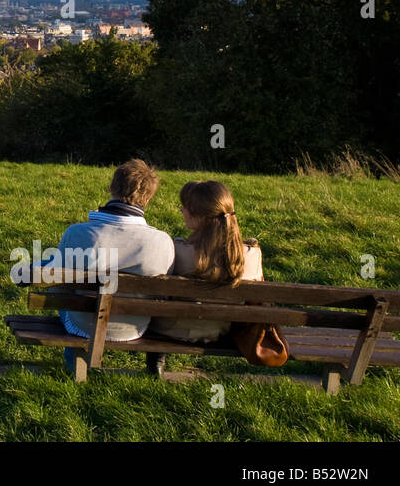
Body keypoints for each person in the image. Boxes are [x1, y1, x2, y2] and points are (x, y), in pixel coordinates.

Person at [50, 160, 175, 375]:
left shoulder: (77, 233)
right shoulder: (163, 242)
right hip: (135, 325)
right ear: (149, 198)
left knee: (63, 291)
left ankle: (77, 367)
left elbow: (57, 284)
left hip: (83, 324)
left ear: (111, 187)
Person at [150, 181, 263, 343]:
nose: (182, 210)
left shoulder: (179, 251)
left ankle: (156, 357)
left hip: (174, 328)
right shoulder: (253, 254)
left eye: (185, 207)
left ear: (200, 216)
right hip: (223, 330)